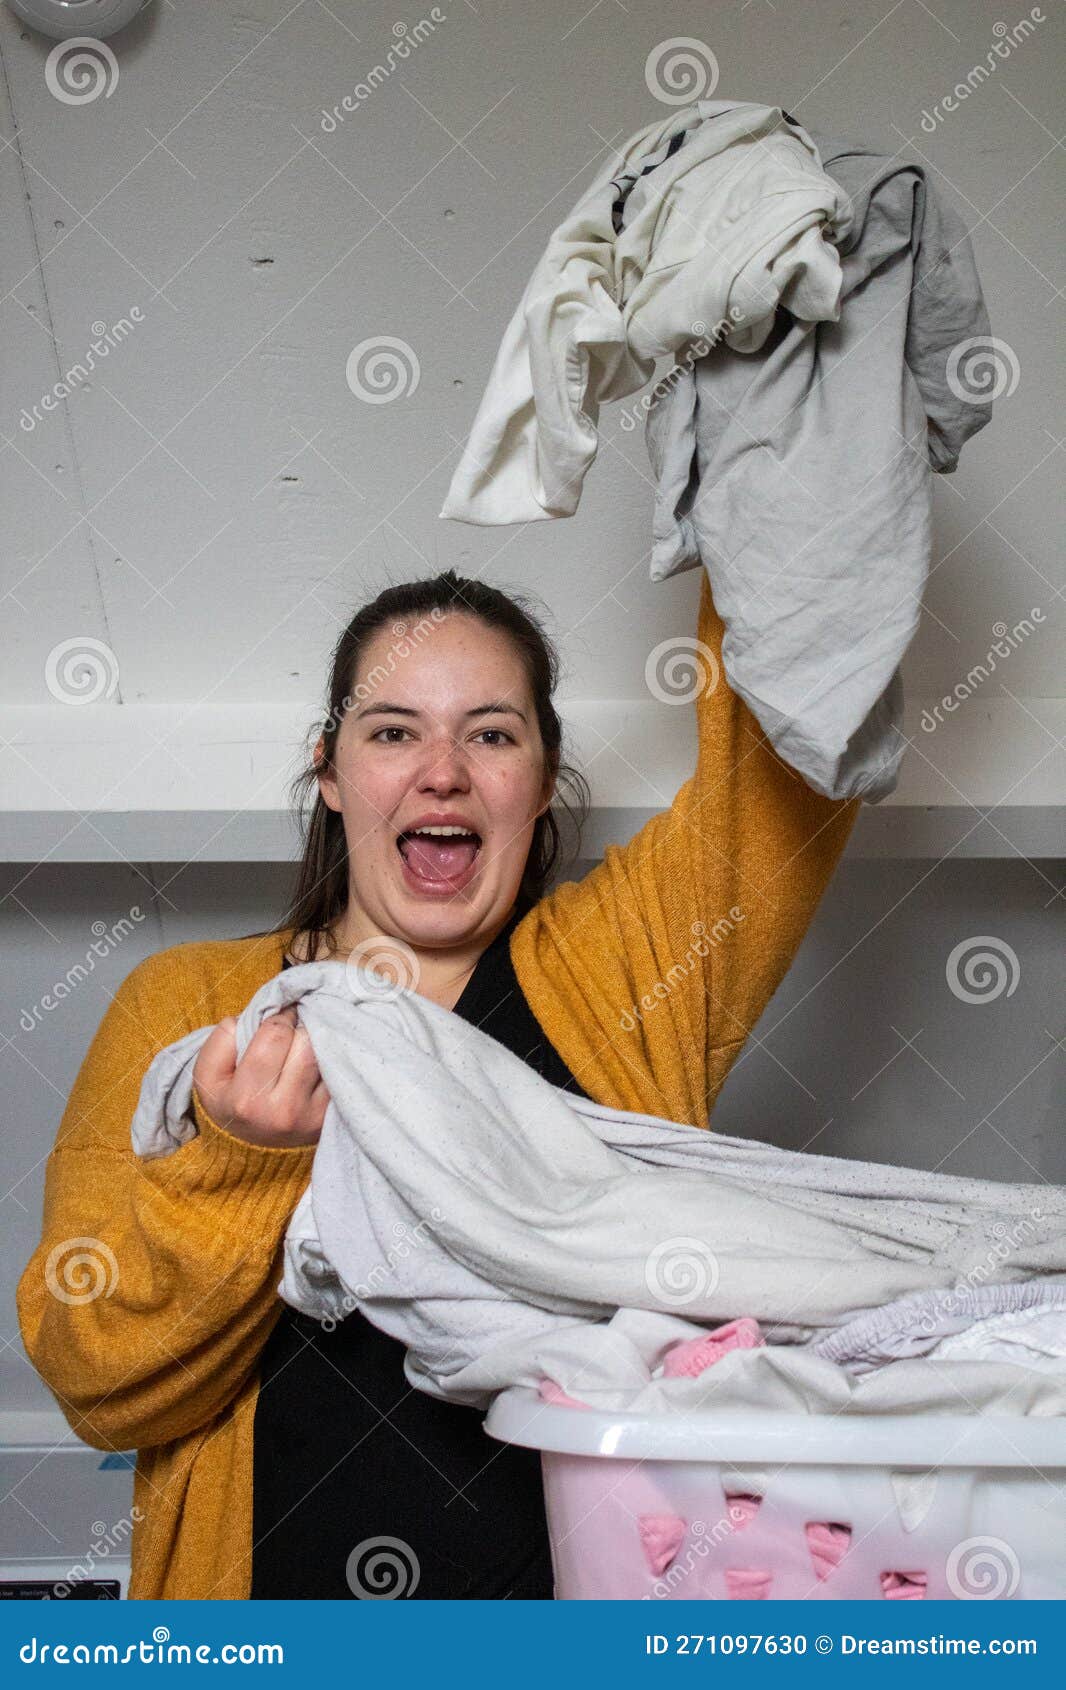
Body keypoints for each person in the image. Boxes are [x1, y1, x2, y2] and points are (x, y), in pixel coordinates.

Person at [17, 568, 860, 1599]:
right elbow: (97, 1383)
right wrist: (242, 1171)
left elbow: (790, 751)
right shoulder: (187, 1006)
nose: (443, 773)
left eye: (493, 734)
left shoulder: (630, 971)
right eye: (392, 731)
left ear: (543, 779)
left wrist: (758, 434)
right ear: (328, 771)